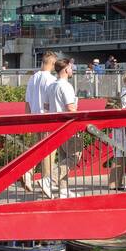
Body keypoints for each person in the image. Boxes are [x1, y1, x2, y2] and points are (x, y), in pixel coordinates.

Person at [40, 58, 79, 198]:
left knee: (64, 156)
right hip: (68, 125)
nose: (72, 69)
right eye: (71, 67)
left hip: (55, 126)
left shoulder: (51, 85)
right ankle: (49, 180)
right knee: (75, 156)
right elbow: (70, 107)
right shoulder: (66, 86)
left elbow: (45, 106)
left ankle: (63, 190)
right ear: (66, 69)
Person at [22, 52, 57, 193]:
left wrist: (28, 120)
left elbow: (27, 102)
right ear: (53, 63)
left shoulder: (33, 78)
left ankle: (28, 172)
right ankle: (46, 181)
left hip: (35, 118)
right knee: (49, 152)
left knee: (36, 150)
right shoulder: (52, 79)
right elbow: (51, 102)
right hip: (47, 119)